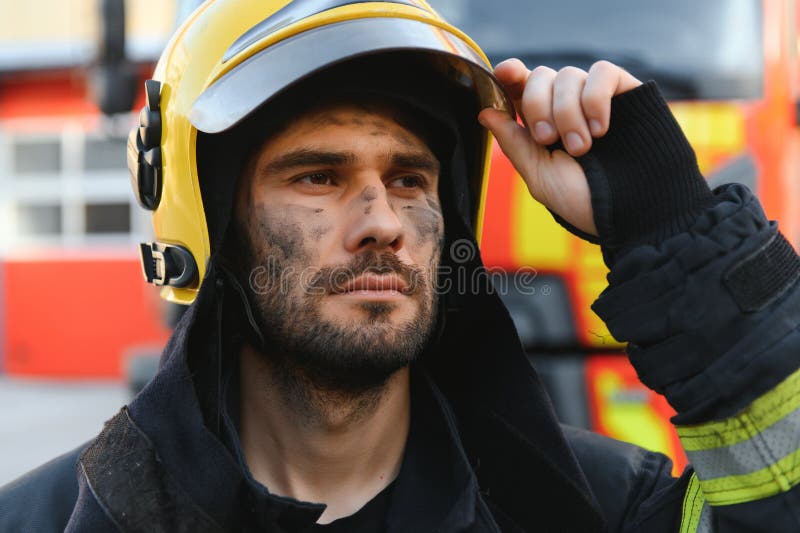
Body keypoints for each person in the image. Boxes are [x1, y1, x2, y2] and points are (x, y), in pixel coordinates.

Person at [2, 1, 799, 531]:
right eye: (318, 176)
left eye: (410, 179)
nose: (383, 222)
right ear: (214, 222)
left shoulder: (593, 508)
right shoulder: (47, 519)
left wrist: (680, 231)